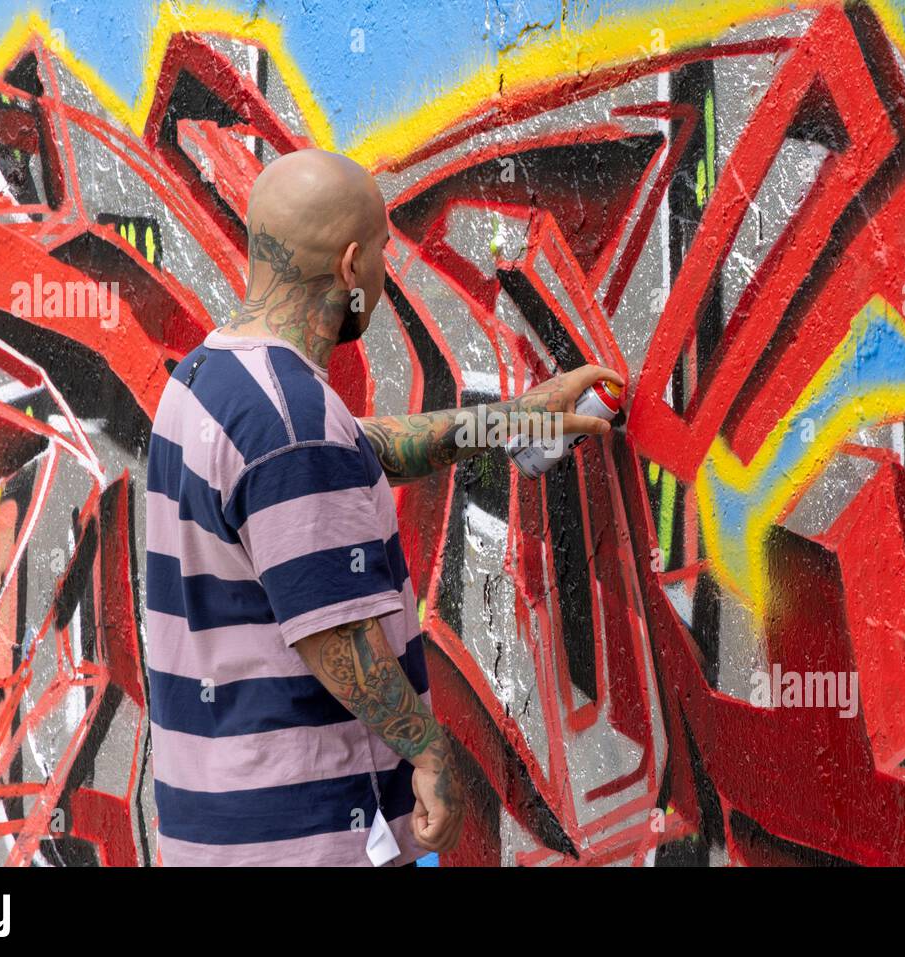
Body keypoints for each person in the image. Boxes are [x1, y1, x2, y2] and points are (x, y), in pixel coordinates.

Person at [144, 148, 623, 866]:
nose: (382, 274)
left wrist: (512, 418)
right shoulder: (291, 419)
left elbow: (361, 447)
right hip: (304, 837)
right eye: (380, 256)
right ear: (349, 267)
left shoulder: (213, 377)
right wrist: (429, 753)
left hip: (220, 825)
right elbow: (335, 634)